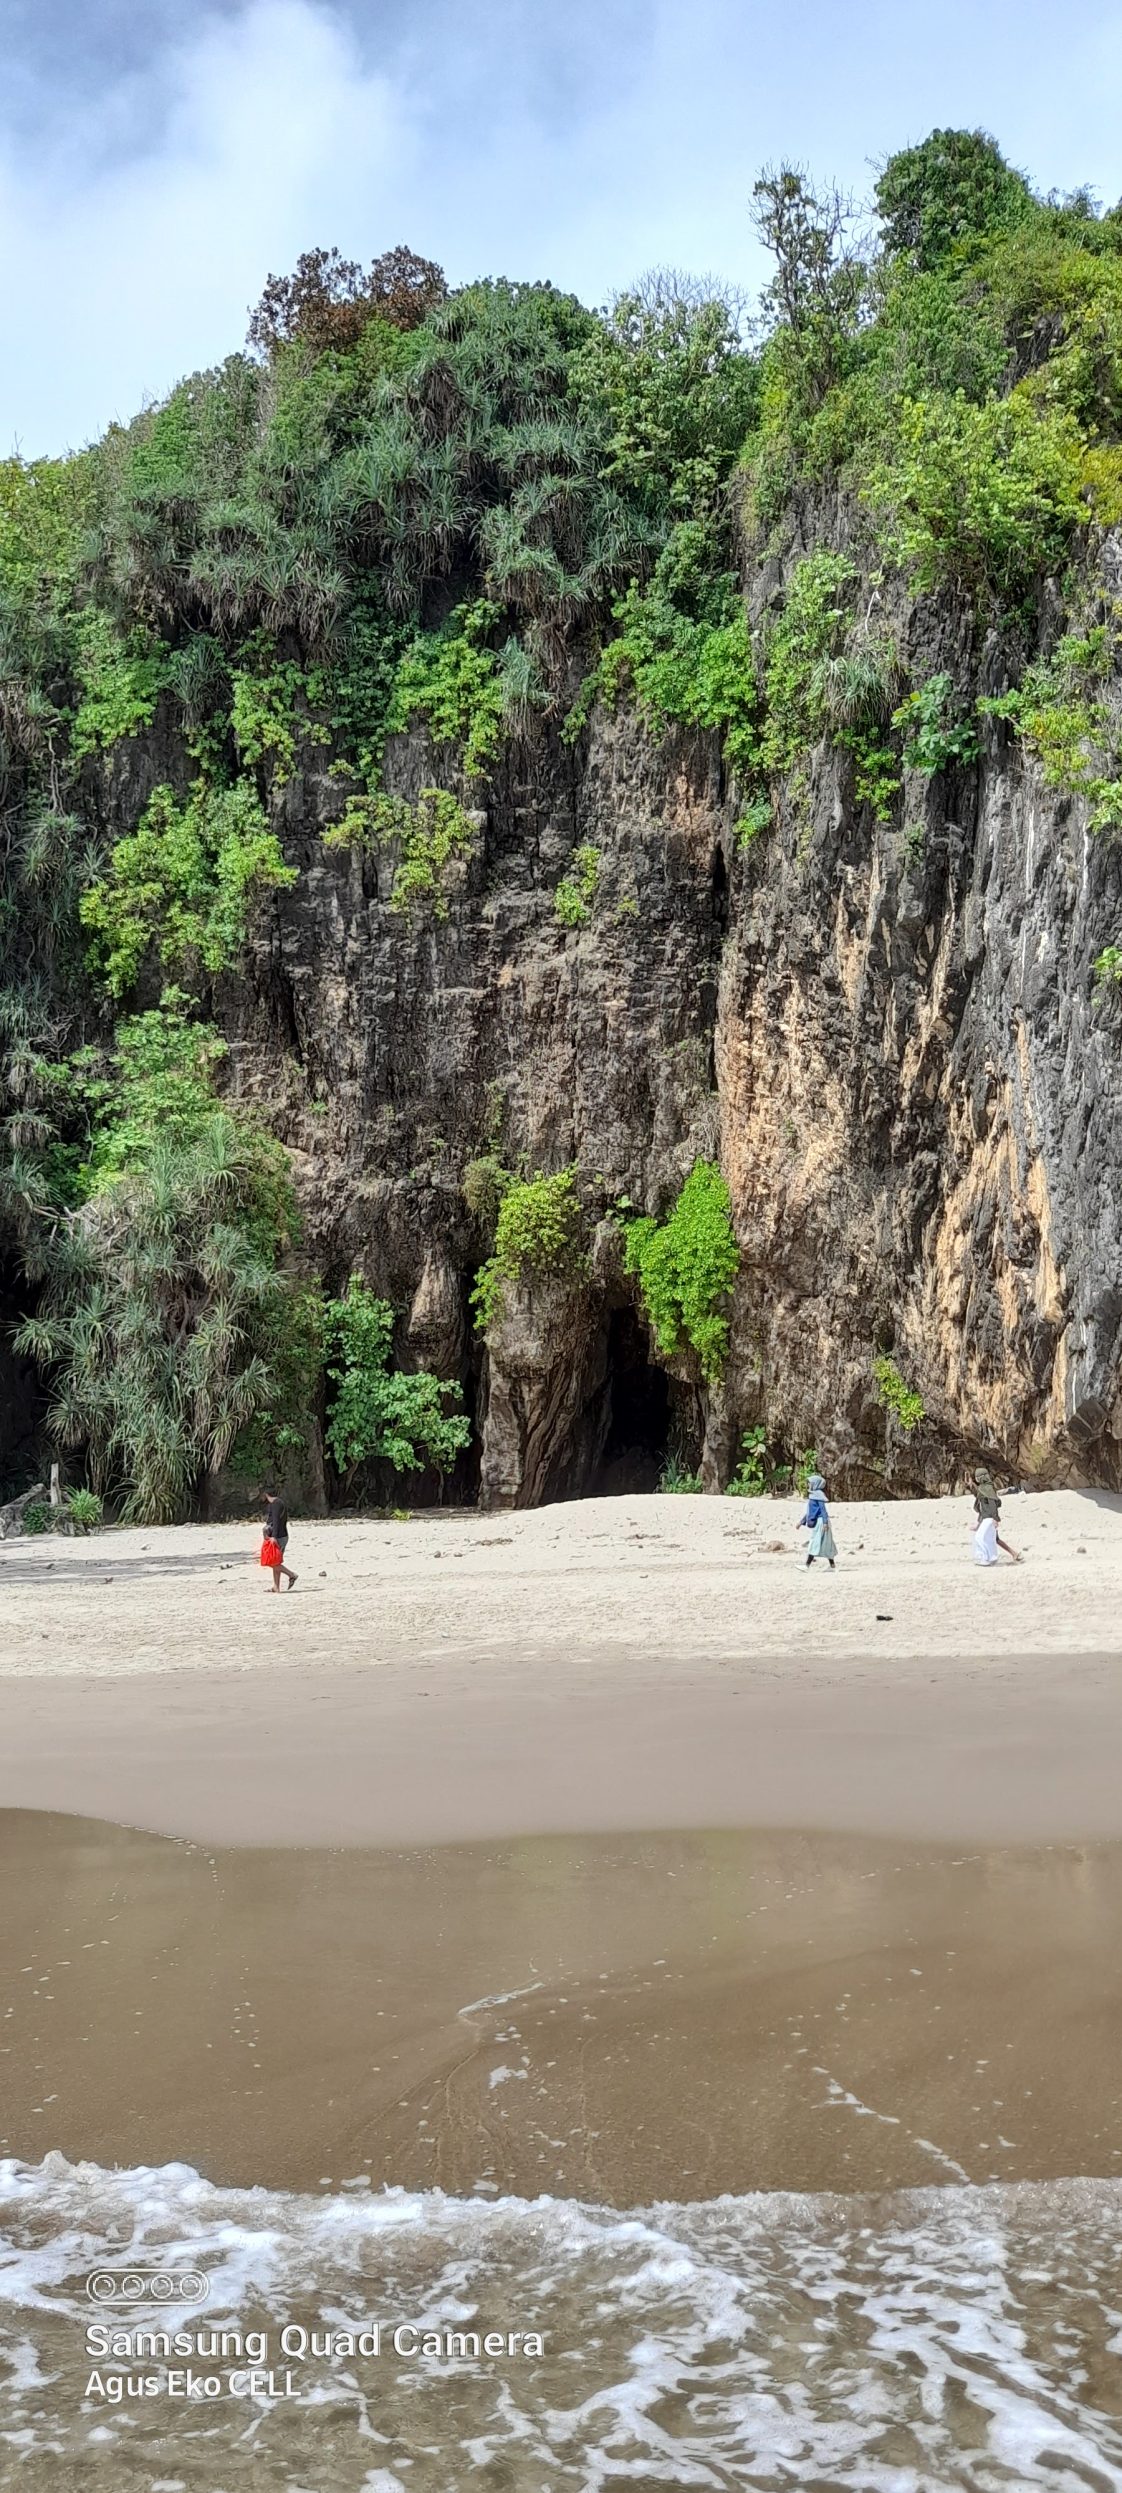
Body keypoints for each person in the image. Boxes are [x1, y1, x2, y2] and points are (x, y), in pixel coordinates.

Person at [970, 1467, 1021, 1566]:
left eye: (977, 1477)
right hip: (986, 1518)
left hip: (989, 1518)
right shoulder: (984, 1488)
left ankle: (986, 1558)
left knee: (980, 1537)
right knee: (992, 1539)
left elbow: (992, 1504)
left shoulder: (987, 1489)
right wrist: (970, 1485)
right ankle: (997, 1557)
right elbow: (980, 1499)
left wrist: (995, 1518)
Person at [260, 1485, 297, 1592]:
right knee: (275, 1561)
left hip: (279, 1536)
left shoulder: (275, 1504)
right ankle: (276, 1587)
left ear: (266, 1495)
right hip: (282, 1535)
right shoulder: (279, 1503)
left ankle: (292, 1575)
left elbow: (276, 1520)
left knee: (273, 1562)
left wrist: (274, 1537)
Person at [799, 1472, 837, 1570]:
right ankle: (832, 1566)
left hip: (821, 1523)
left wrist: (825, 1523)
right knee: (825, 1543)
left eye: (810, 1483)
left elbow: (823, 1510)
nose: (808, 1485)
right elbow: (811, 1512)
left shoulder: (819, 1496)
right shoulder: (814, 1495)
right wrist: (801, 1522)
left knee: (815, 1542)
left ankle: (806, 1566)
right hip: (820, 1522)